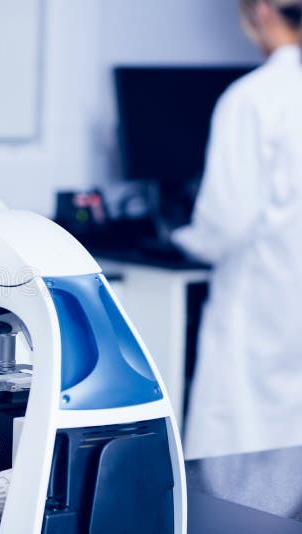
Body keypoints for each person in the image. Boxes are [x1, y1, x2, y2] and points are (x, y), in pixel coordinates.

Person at [172, 0, 302, 459]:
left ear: (263, 10)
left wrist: (179, 238)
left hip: (262, 299)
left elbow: (224, 223)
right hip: (291, 301)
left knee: (237, 455)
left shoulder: (254, 97)